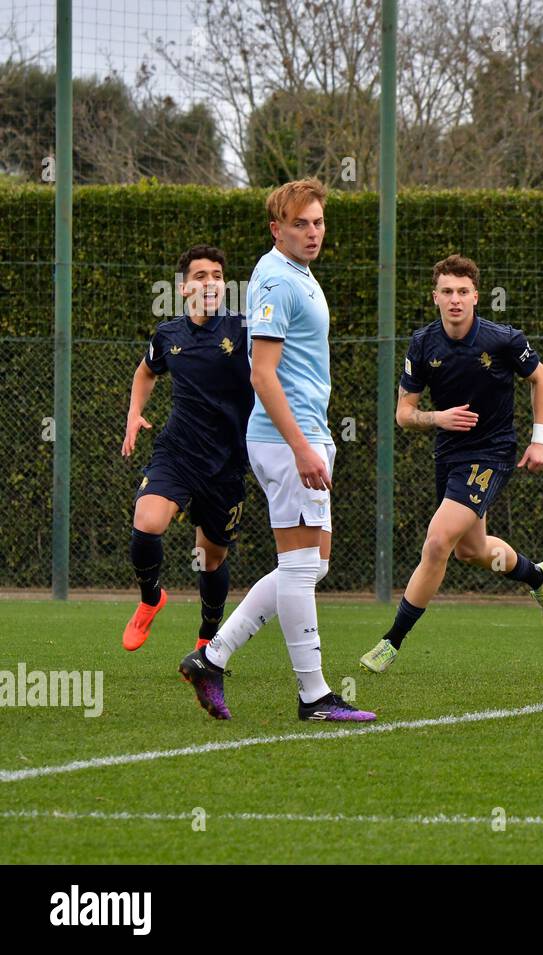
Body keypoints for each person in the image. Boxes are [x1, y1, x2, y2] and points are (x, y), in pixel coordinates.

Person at [179, 178, 376, 721]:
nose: (312, 232)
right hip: (287, 441)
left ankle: (211, 657)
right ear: (277, 229)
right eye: (300, 224)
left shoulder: (300, 274)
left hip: (309, 436)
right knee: (297, 566)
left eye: (318, 222)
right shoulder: (273, 279)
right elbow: (262, 375)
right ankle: (313, 695)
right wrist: (300, 447)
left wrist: (314, 441)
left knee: (313, 565)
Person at [359, 254, 543, 674]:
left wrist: (538, 441)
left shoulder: (503, 340)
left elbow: (541, 378)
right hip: (450, 457)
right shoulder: (423, 344)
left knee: (436, 542)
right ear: (435, 297)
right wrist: (439, 418)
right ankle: (539, 578)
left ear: (475, 297)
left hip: (492, 454)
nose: (455, 300)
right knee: (471, 549)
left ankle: (391, 642)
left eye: (463, 292)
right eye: (447, 292)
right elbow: (404, 413)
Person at [121, 245, 251, 653]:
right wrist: (134, 411)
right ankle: (150, 597)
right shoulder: (168, 335)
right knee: (146, 523)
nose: (209, 282)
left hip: (228, 462)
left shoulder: (244, 330)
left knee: (210, 558)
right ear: (182, 288)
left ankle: (208, 634)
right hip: (177, 452)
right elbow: (146, 371)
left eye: (216, 275)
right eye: (200, 276)